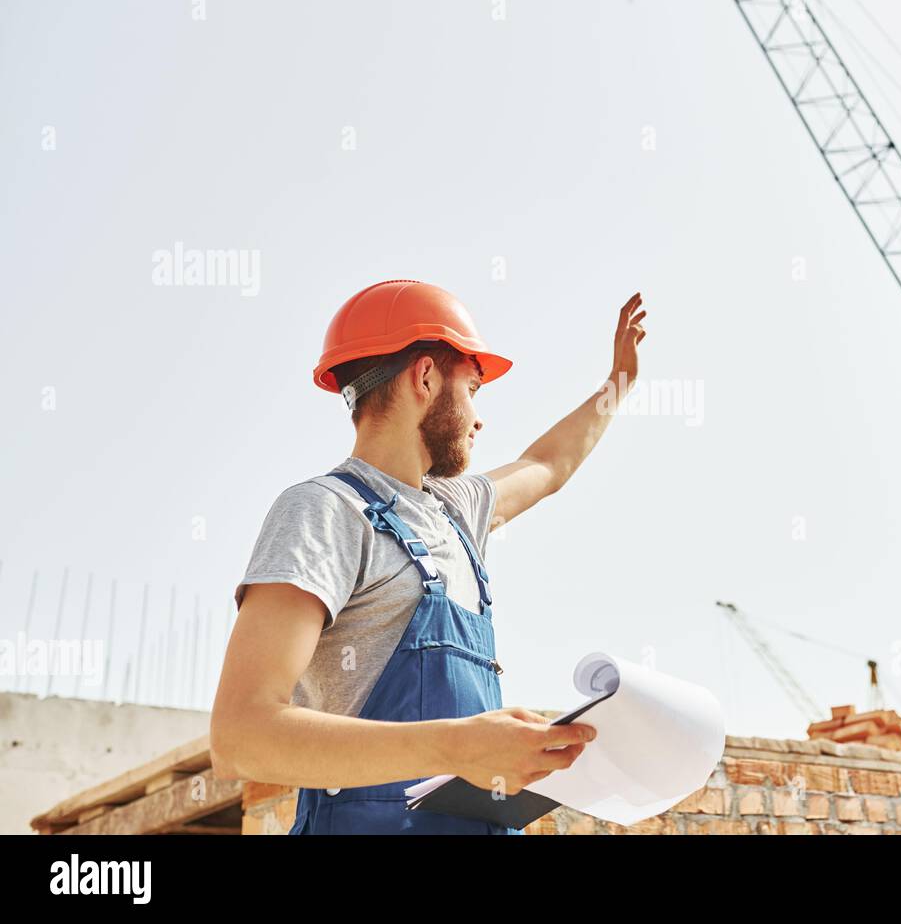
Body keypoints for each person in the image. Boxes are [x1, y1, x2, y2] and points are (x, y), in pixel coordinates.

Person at [210, 279, 647, 834]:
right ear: (425, 376)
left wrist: (619, 384)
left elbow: (550, 464)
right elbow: (240, 736)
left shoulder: (455, 512)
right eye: (474, 388)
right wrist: (456, 746)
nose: (479, 418)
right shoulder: (325, 512)